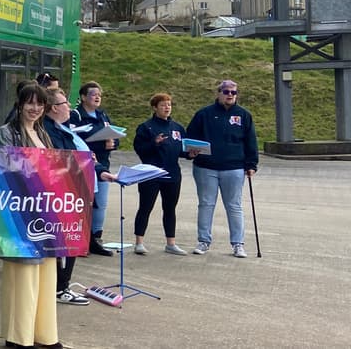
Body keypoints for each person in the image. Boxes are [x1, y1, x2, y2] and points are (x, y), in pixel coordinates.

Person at [0, 83, 62, 349]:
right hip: (20, 213)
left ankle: (45, 334)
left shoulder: (43, 133)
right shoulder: (6, 132)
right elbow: (7, 167)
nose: (35, 109)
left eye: (40, 104)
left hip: (44, 211)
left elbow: (57, 168)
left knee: (46, 274)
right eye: (30, 103)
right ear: (20, 104)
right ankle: (18, 338)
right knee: (23, 276)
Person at [186, 79, 258, 258]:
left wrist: (251, 164)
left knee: (234, 205)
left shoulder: (243, 115)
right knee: (206, 204)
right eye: (226, 92)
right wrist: (191, 151)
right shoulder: (204, 114)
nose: (230, 95)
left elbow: (251, 141)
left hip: (233, 167)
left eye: (234, 92)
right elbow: (190, 137)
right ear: (219, 93)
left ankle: (238, 243)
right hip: (206, 167)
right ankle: (203, 241)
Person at [42, 87, 90, 306]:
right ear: (54, 108)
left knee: (71, 239)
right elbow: (60, 159)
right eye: (65, 104)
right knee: (65, 240)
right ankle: (61, 287)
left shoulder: (60, 128)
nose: (69, 107)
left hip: (72, 189)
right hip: (61, 192)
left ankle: (62, 285)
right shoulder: (49, 130)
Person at [132, 93, 195, 256]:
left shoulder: (177, 128)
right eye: (163, 105)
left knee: (170, 209)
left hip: (172, 174)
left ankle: (171, 243)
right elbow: (140, 149)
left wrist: (191, 153)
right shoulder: (146, 127)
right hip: (151, 174)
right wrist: (154, 143)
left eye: (169, 105)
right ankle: (139, 242)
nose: (167, 108)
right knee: (146, 207)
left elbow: (182, 150)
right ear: (154, 108)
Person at [72, 81, 118, 256]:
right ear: (83, 97)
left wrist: (113, 143)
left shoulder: (102, 115)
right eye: (93, 94)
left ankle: (97, 239)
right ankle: (80, 239)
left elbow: (113, 134)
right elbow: (75, 140)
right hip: (82, 166)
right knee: (84, 204)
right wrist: (100, 144)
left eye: (99, 94)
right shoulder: (75, 115)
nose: (97, 97)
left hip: (102, 165)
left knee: (101, 204)